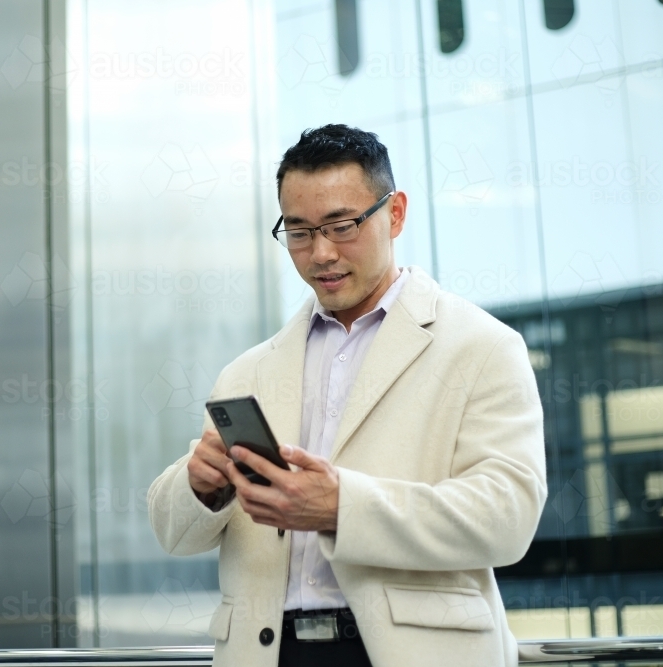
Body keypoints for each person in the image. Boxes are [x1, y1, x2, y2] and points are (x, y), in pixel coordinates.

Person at [148, 124, 546, 667]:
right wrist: (198, 486)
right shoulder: (249, 370)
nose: (321, 253)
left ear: (396, 213)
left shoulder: (481, 347)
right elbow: (174, 534)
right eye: (299, 232)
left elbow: (509, 517)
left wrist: (341, 507)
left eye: (342, 225)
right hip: (266, 653)